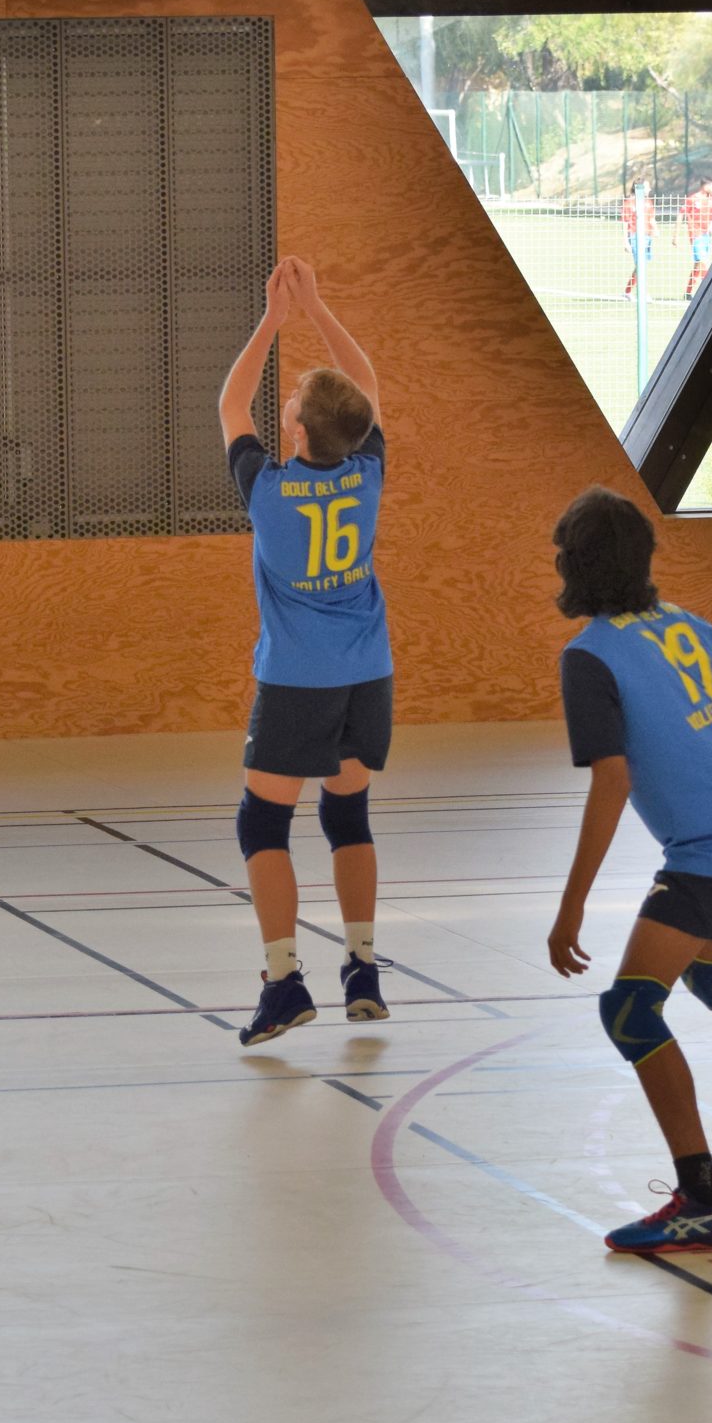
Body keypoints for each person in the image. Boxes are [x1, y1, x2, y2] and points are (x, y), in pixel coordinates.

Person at [545, 488, 712, 1253]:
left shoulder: (589, 656)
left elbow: (611, 781)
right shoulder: (689, 624)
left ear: (577, 566)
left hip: (709, 855)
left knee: (630, 1010)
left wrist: (570, 906)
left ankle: (703, 1198)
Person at [217, 256, 395, 1046]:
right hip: (368, 673)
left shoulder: (267, 488)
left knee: (262, 824)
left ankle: (284, 981)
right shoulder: (366, 474)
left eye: (290, 404)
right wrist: (320, 309)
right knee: (347, 811)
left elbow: (228, 402)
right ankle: (362, 968)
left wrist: (272, 320)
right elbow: (364, 385)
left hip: (295, 681)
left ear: (293, 431)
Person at [681, 178, 712, 299]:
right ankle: (710, 291)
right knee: (704, 262)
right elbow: (681, 214)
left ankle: (688, 292)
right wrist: (675, 236)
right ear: (705, 186)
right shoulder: (693, 199)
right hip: (695, 234)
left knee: (698, 264)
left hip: (706, 235)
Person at [620, 177, 656, 300]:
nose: (650, 188)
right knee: (640, 264)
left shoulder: (648, 202)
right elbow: (625, 222)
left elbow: (651, 218)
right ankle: (643, 293)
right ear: (639, 188)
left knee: (642, 265)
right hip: (635, 235)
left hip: (647, 235)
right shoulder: (629, 203)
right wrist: (625, 241)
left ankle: (627, 291)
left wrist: (655, 229)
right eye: (647, 186)